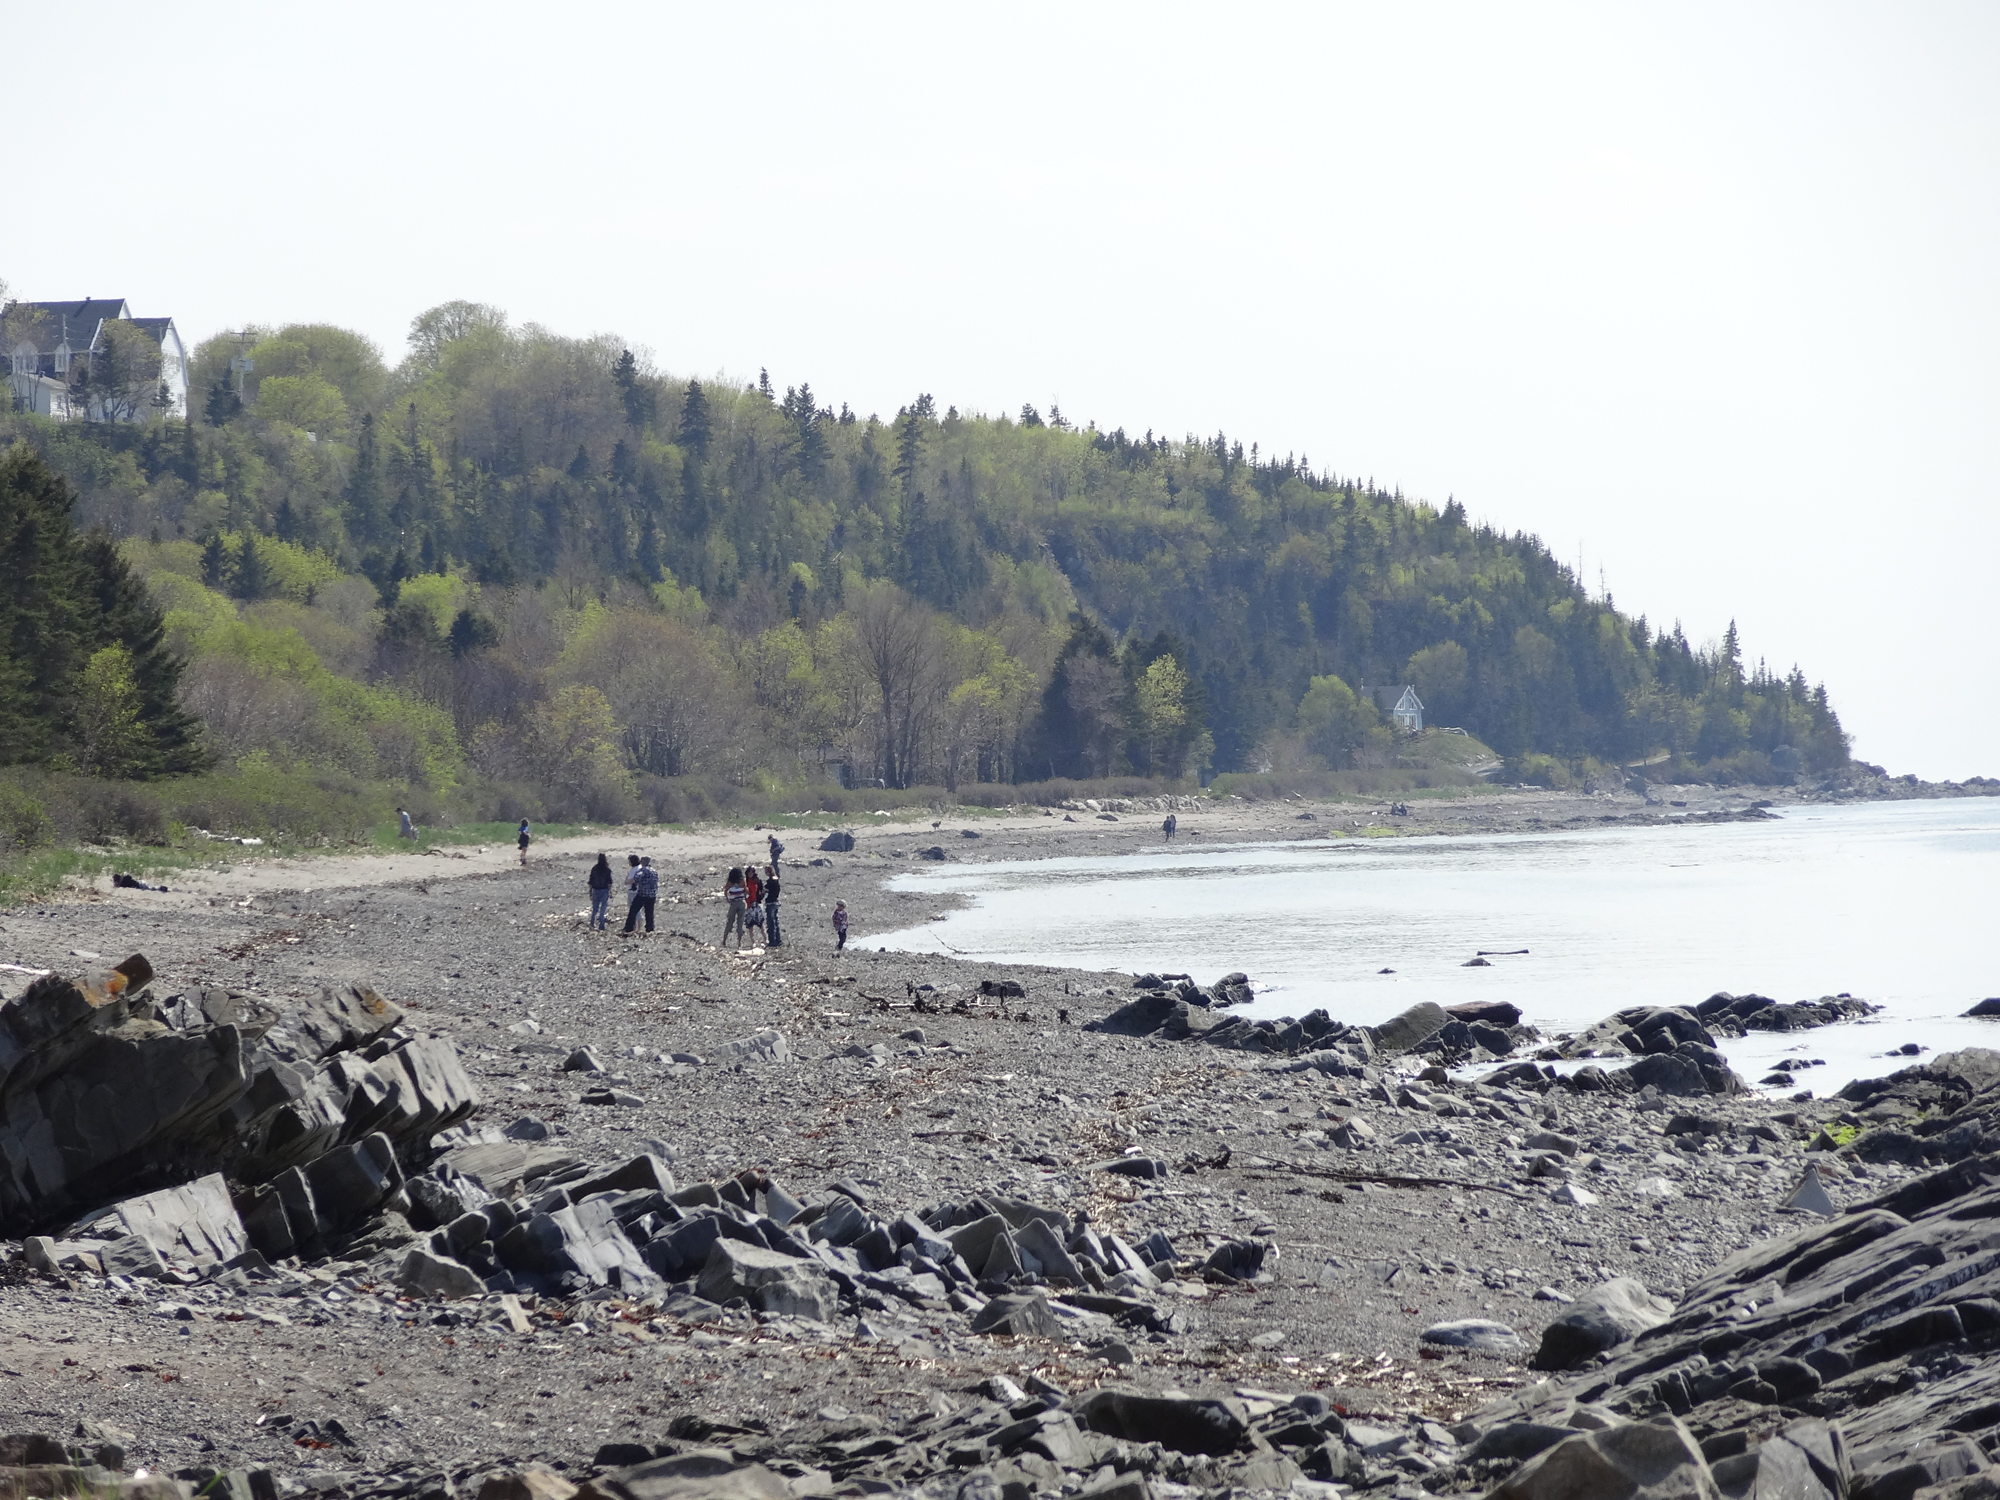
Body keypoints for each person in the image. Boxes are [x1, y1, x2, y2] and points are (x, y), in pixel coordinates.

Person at [624, 856, 658, 934]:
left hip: (642, 894)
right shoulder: (654, 871)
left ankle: (629, 928)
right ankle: (650, 928)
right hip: (652, 895)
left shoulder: (643, 870)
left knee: (633, 910)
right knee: (649, 913)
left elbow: (636, 878)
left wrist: (628, 882)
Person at [721, 867, 749, 946]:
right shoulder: (742, 881)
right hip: (742, 902)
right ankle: (739, 942)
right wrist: (745, 897)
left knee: (730, 921)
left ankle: (724, 940)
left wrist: (728, 899)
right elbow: (746, 890)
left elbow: (725, 891)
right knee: (740, 922)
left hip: (733, 903)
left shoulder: (730, 882)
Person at [587, 853, 613, 930]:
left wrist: (590, 892)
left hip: (595, 890)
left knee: (595, 908)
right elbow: (609, 882)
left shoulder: (594, 868)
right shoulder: (607, 869)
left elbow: (590, 881)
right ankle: (601, 924)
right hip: (604, 890)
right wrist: (610, 892)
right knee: (603, 907)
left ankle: (592, 923)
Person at [761, 863, 782, 947]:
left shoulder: (770, 881)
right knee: (776, 921)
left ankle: (772, 941)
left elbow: (764, 891)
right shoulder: (776, 880)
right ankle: (778, 940)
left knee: (770, 923)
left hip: (770, 903)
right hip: (776, 902)